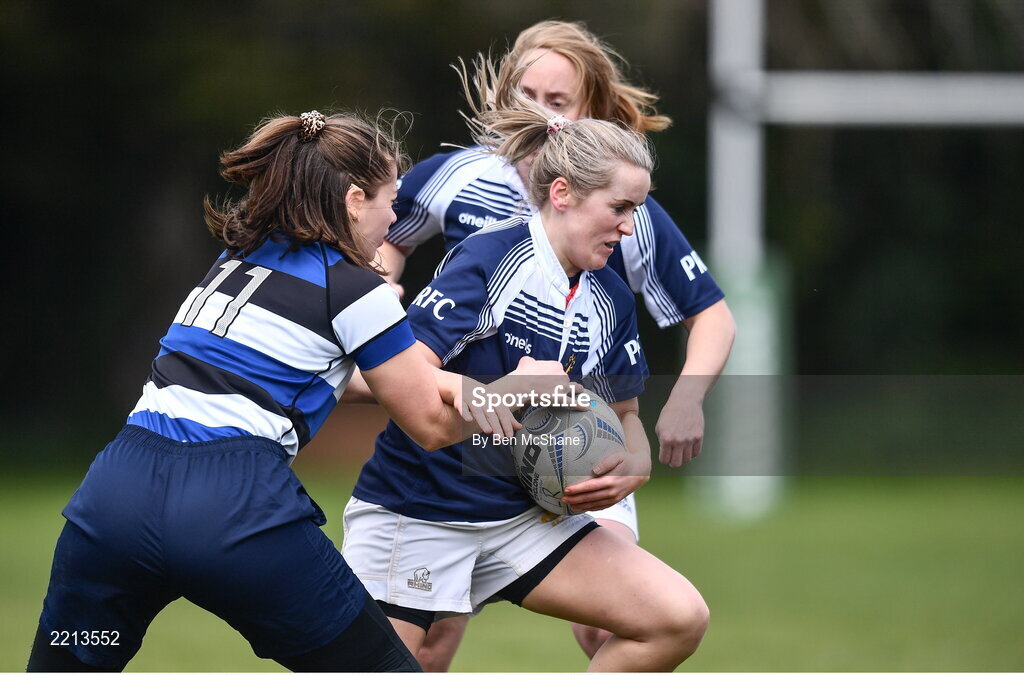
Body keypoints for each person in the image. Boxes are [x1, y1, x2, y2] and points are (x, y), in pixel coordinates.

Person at [25, 109, 554, 672]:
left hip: (116, 497)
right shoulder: (355, 287)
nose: (396, 217)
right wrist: (518, 389)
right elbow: (426, 425)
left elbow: (314, 377)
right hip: (230, 508)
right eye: (390, 201)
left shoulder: (234, 261)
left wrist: (460, 383)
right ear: (354, 201)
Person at [380, 21, 736, 668]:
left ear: (588, 112)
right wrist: (381, 298)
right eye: (527, 94)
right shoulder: (459, 177)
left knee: (617, 624)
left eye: (558, 101)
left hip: (571, 434)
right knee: (429, 647)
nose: (539, 113)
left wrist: (685, 399)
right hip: (466, 439)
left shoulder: (621, 202)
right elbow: (383, 231)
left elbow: (710, 313)